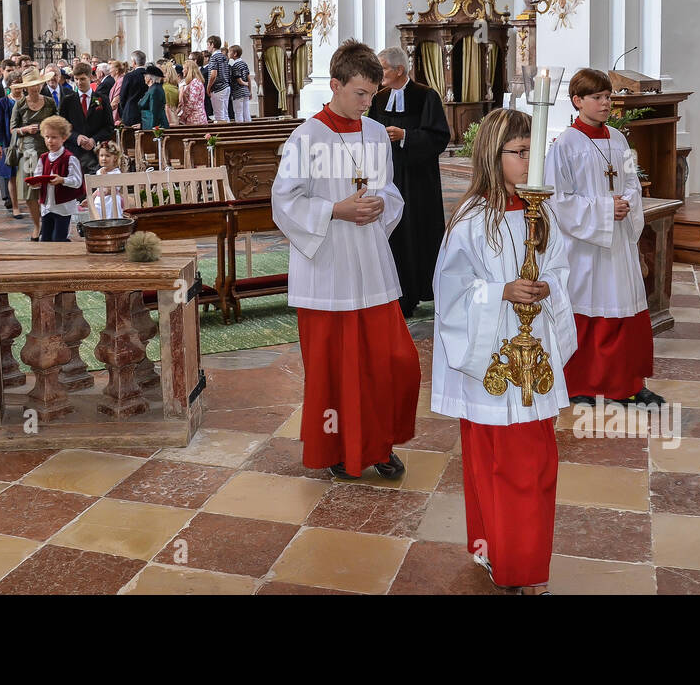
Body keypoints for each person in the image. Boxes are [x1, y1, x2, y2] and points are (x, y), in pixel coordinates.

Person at [433, 108, 575, 595]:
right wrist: (500, 293)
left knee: (533, 467)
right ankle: (502, 557)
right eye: (519, 153)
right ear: (493, 157)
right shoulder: (472, 220)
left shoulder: (543, 212)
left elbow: (561, 268)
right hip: (491, 367)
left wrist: (547, 287)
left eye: (533, 152)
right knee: (494, 466)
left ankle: (523, 562)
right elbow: (450, 294)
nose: (529, 163)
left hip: (532, 366)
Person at [272, 39, 419, 480]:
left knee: (390, 361)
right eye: (360, 93)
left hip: (370, 263)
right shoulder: (307, 135)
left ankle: (377, 444)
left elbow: (389, 190)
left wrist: (379, 205)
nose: (367, 102)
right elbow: (284, 201)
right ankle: (338, 448)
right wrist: (336, 209)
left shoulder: (375, 133)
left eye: (372, 94)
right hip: (327, 268)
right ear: (335, 85)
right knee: (335, 369)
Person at [546, 68, 659, 406]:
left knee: (625, 308)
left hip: (618, 241)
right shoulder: (565, 143)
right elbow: (556, 198)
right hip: (585, 246)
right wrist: (604, 209)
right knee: (588, 310)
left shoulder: (618, 139)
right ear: (578, 100)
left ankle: (628, 383)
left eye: (608, 97)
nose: (605, 103)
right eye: (597, 97)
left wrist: (626, 204)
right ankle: (581, 383)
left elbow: (632, 185)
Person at [367, 45, 450, 318]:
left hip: (418, 181)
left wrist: (405, 135)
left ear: (399, 70)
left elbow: (439, 136)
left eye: (383, 69)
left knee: (417, 232)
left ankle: (421, 290)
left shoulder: (426, 96)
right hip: (388, 176)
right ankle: (396, 295)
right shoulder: (378, 99)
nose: (379, 74)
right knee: (394, 234)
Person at [8, 68, 57, 241]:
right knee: (30, 191)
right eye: (31, 86)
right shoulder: (19, 104)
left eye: (37, 85)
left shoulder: (50, 102)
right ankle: (37, 225)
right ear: (26, 88)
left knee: (50, 188)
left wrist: (49, 130)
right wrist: (25, 129)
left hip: (48, 149)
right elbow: (12, 129)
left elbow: (58, 122)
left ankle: (48, 223)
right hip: (27, 151)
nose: (35, 89)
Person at [35, 114, 84, 242]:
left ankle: (63, 258)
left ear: (64, 138)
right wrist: (36, 183)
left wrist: (63, 180)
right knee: (45, 238)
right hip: (46, 206)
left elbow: (77, 181)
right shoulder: (43, 158)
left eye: (54, 137)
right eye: (47, 137)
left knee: (59, 238)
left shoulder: (69, 158)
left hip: (63, 207)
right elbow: (38, 176)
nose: (50, 141)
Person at [59, 62, 114, 175]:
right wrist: (76, 137)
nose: (79, 82)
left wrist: (93, 140)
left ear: (90, 78)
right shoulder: (67, 101)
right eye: (76, 79)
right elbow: (62, 127)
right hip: (74, 150)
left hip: (95, 152)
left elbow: (109, 127)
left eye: (82, 79)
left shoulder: (101, 99)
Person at [0, 70, 20, 215]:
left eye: (20, 84)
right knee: (12, 175)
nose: (18, 87)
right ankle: (15, 205)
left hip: (25, 141)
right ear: (9, 86)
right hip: (8, 142)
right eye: (15, 84)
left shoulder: (26, 100)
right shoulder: (2, 102)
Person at [117, 51, 148, 127]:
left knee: (129, 137)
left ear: (134, 62)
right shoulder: (149, 75)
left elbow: (122, 96)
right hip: (147, 112)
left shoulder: (129, 76)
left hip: (131, 112)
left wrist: (125, 109)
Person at [204, 35, 231, 122]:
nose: (207, 46)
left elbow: (213, 74)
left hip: (218, 88)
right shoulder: (224, 56)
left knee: (219, 115)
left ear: (212, 45)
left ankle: (222, 135)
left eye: (208, 44)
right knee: (225, 114)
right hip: (226, 86)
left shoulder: (214, 57)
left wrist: (208, 87)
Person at [178, 58, 208, 125]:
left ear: (189, 70)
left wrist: (182, 117)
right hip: (192, 117)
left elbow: (192, 103)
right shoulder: (192, 82)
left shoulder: (195, 83)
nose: (182, 71)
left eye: (184, 68)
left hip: (196, 118)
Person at [139, 65, 170, 130]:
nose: (144, 78)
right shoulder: (153, 88)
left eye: (145, 76)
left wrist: (153, 129)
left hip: (154, 127)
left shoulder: (155, 90)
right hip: (149, 124)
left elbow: (154, 111)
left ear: (150, 78)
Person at [228, 45, 252, 123]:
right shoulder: (244, 63)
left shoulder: (235, 65)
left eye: (229, 52)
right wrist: (249, 90)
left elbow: (239, 80)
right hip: (245, 92)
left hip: (238, 92)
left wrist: (245, 84)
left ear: (235, 54)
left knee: (238, 113)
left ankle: (240, 129)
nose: (228, 53)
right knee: (246, 112)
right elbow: (248, 77)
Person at [162, 61, 181, 125]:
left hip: (169, 119)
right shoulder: (175, 88)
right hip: (175, 117)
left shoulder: (165, 88)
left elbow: (167, 107)